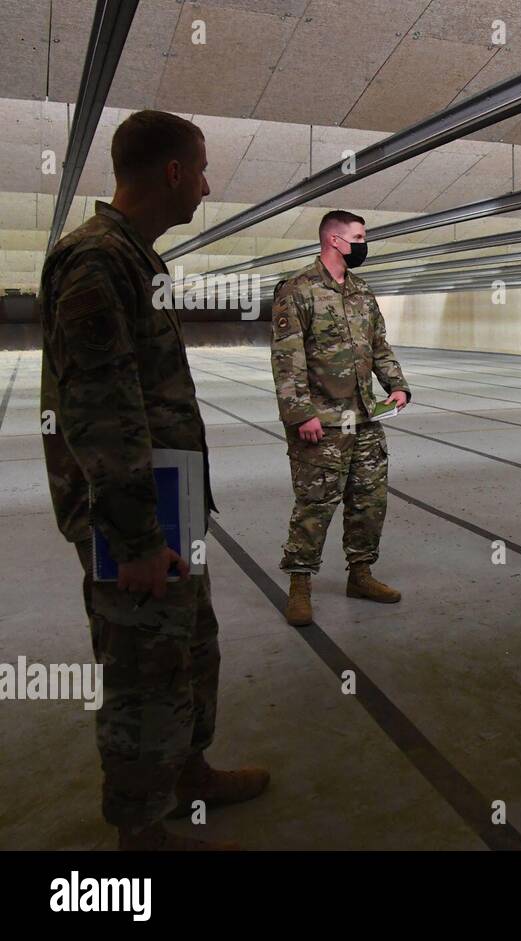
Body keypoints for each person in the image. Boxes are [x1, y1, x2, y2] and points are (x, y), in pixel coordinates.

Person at [39, 109, 268, 851]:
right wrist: (136, 536)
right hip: (132, 517)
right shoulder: (97, 260)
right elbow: (99, 407)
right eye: (200, 170)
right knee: (143, 669)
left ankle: (188, 772)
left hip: (167, 501)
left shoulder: (135, 258)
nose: (205, 185)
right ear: (173, 173)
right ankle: (141, 833)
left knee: (190, 648)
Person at [271, 210, 411, 626]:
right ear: (335, 240)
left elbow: (380, 346)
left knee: (369, 501)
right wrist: (300, 415)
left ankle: (361, 574)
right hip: (321, 422)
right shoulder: (297, 290)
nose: (363, 245)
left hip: (364, 419)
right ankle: (299, 584)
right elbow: (287, 359)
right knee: (314, 505)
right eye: (359, 237)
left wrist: (397, 385)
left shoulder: (362, 292)